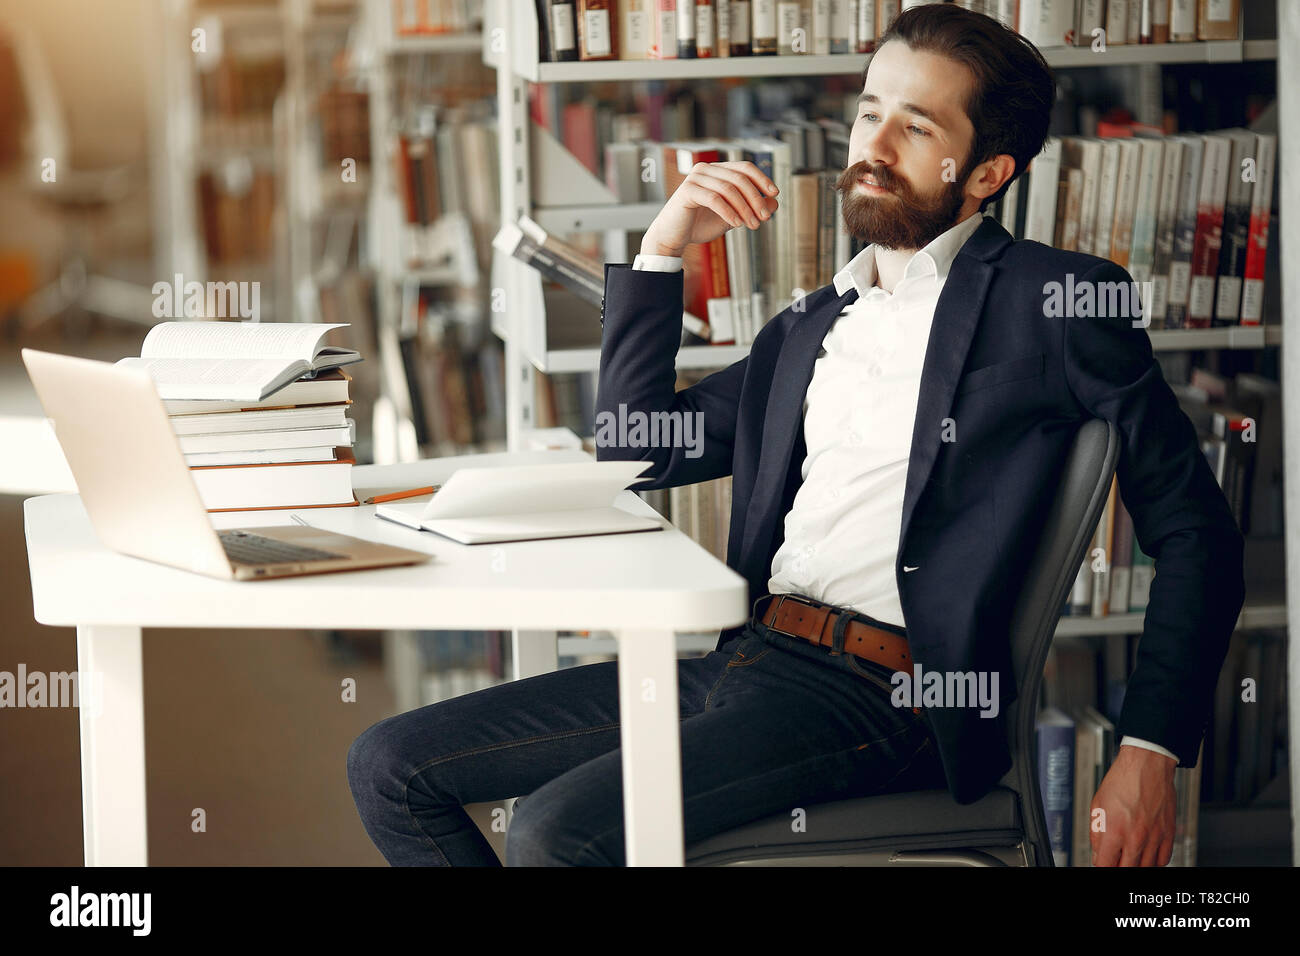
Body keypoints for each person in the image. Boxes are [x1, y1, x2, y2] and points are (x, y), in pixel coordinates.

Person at [348, 3, 1244, 867]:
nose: (874, 147)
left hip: (887, 697)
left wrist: (1150, 747)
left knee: (554, 833)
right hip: (747, 658)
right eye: (869, 113)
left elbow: (1196, 532)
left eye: (917, 128)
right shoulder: (815, 321)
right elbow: (637, 444)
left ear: (985, 174)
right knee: (391, 766)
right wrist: (664, 246)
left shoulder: (1055, 303)